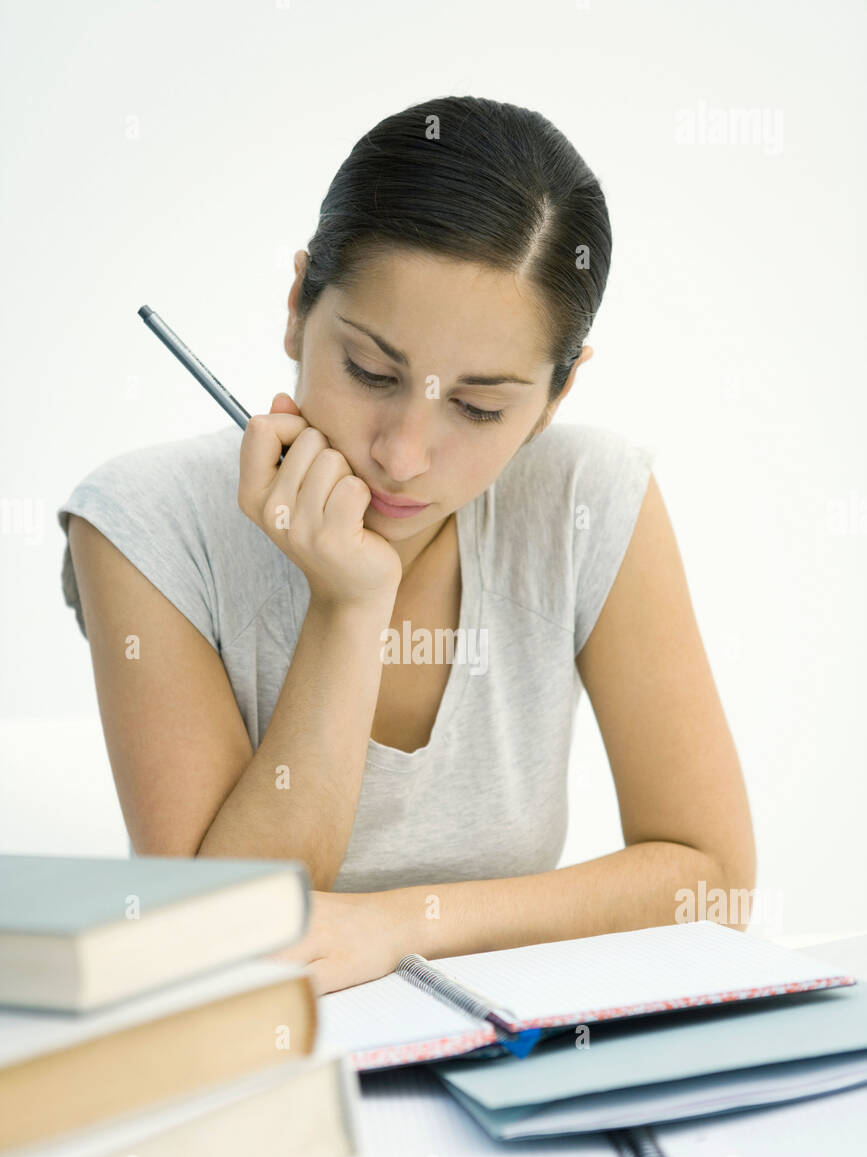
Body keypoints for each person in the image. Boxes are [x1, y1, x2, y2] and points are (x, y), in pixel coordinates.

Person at [57, 96, 756, 993]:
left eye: (478, 406)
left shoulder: (587, 497)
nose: (401, 453)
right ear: (296, 307)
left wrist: (396, 927)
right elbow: (215, 934)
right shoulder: (145, 520)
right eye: (369, 371)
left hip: (501, 1051)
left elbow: (711, 878)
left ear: (555, 395)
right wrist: (348, 607)